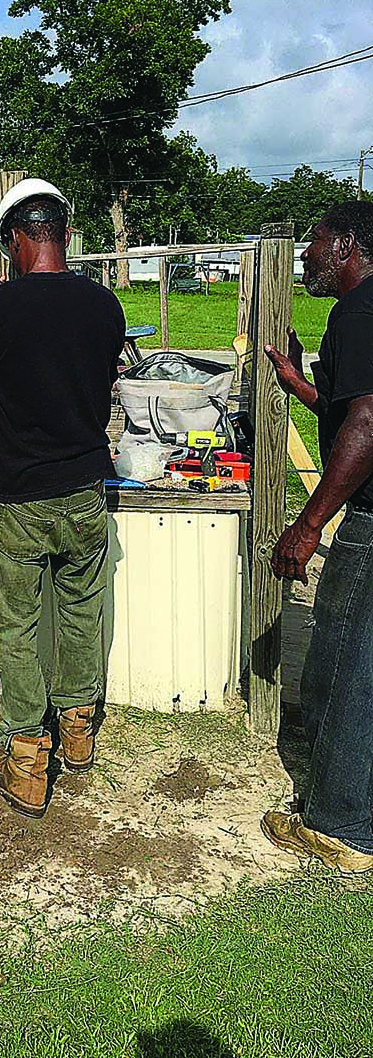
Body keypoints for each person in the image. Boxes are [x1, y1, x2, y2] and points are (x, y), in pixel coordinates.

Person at [0, 178, 125, 818]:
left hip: (18, 497)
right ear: (64, 235)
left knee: (15, 627)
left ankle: (26, 761)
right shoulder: (104, 305)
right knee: (80, 612)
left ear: (14, 239)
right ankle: (77, 731)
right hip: (85, 492)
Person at [262, 201, 373, 873]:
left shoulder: (358, 314)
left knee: (343, 668)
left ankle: (341, 828)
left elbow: (367, 423)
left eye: (316, 241)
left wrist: (308, 525)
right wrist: (300, 383)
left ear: (346, 247)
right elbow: (347, 410)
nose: (306, 254)